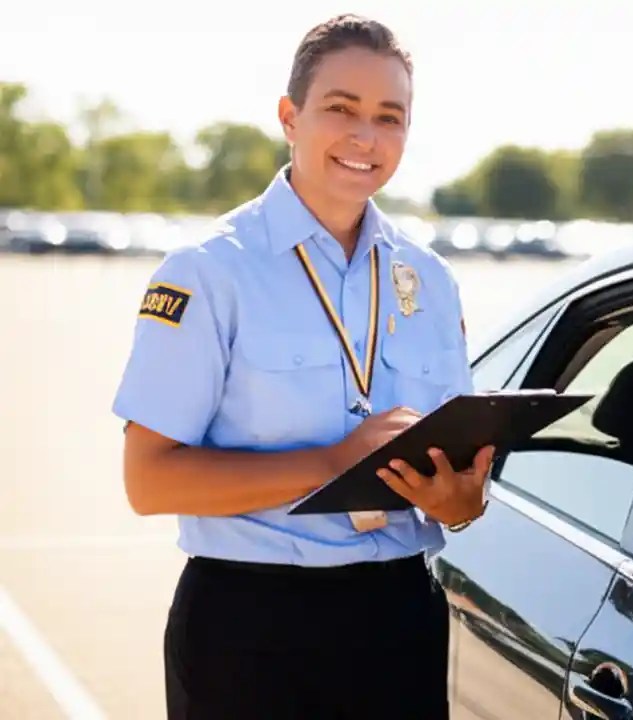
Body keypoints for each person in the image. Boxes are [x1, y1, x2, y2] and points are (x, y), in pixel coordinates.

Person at [112, 15, 485, 719]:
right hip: (251, 626)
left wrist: (462, 504)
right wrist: (334, 461)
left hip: (402, 614)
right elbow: (148, 479)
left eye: (389, 117)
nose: (365, 138)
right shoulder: (207, 273)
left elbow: (456, 464)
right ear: (290, 117)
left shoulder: (430, 280)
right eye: (341, 109)